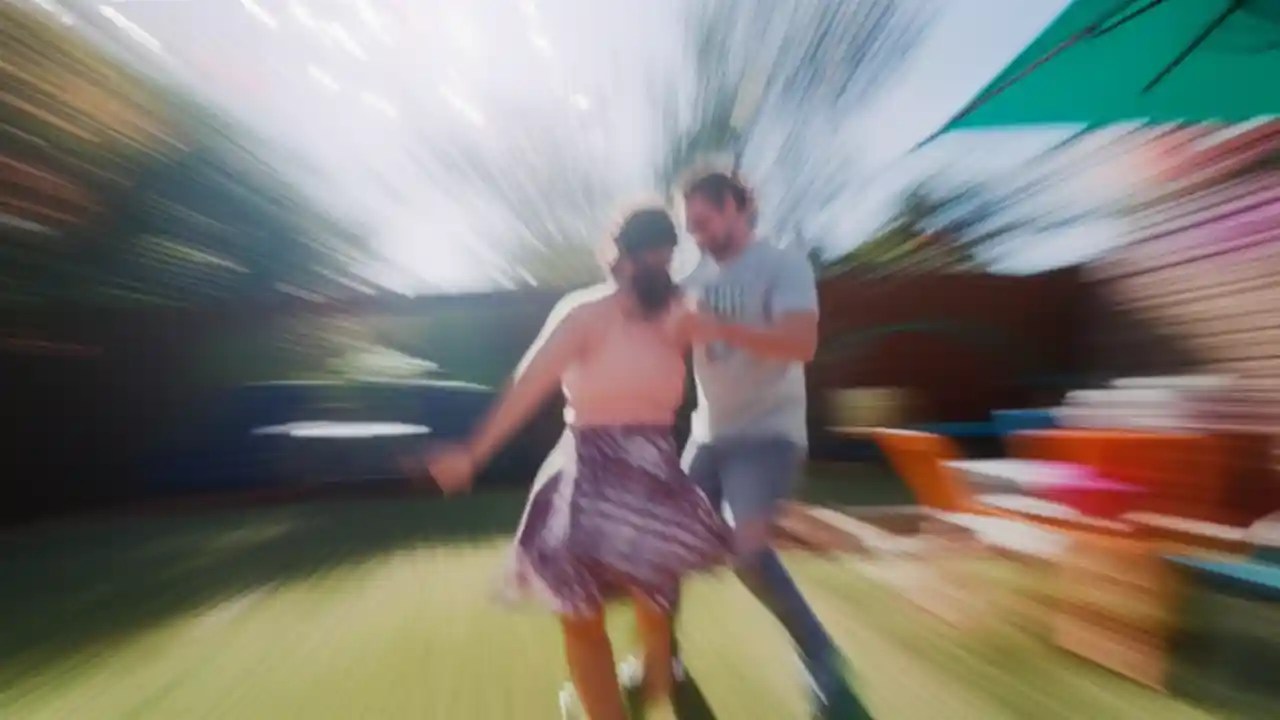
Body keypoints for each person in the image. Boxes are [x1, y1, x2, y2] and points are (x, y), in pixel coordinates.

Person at [424, 207, 732, 720]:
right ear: (624, 257)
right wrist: (473, 454)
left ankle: (650, 673)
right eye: (654, 252)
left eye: (665, 253)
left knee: (646, 616)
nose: (659, 263)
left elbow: (731, 378)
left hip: (646, 476)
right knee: (587, 616)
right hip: (588, 475)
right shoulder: (589, 314)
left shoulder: (684, 314)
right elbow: (531, 383)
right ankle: (627, 689)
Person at [631, 172, 872, 718]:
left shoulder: (783, 266)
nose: (697, 235)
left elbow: (800, 342)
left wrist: (717, 326)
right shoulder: (690, 279)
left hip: (768, 436)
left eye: (705, 222)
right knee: (664, 549)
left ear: (738, 208)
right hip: (709, 436)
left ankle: (822, 659)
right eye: (690, 226)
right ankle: (661, 658)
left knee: (749, 554)